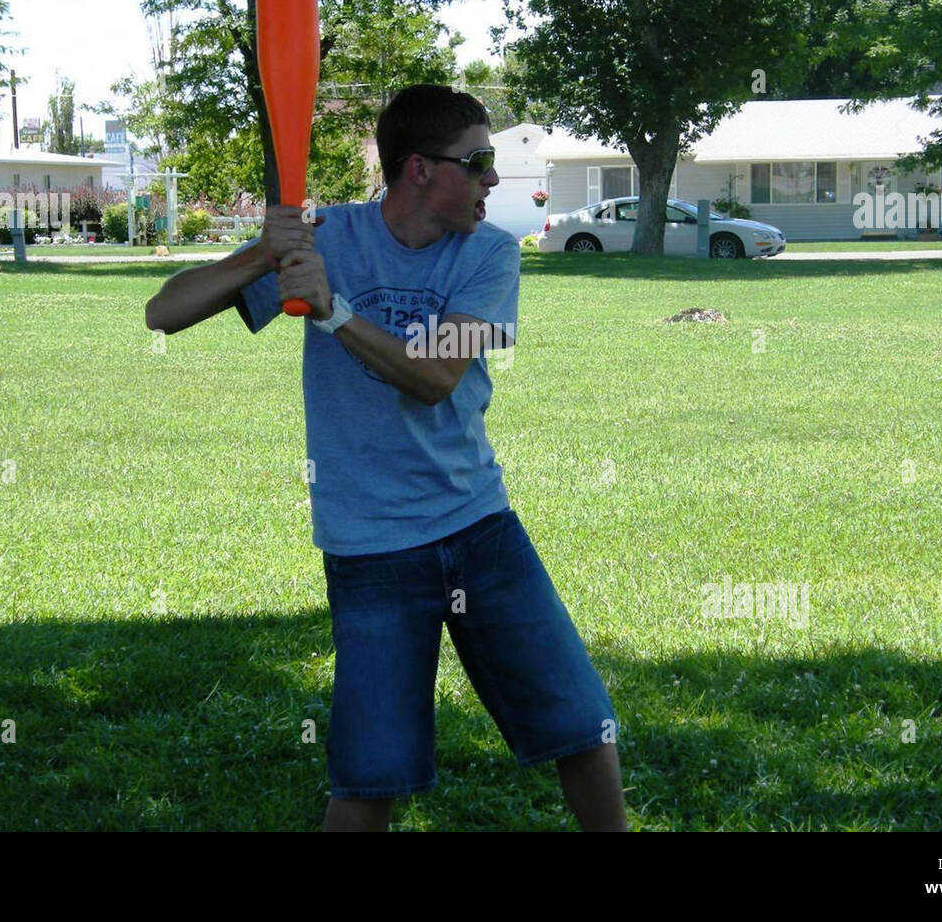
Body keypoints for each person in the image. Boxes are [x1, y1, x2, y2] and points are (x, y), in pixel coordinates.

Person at [145, 84, 626, 832]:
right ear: (419, 170)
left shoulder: (490, 253)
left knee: (582, 725)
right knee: (368, 774)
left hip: (479, 529)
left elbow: (434, 376)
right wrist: (261, 254)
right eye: (479, 162)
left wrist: (335, 311)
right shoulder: (327, 235)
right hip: (369, 549)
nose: (494, 179)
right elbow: (163, 312)